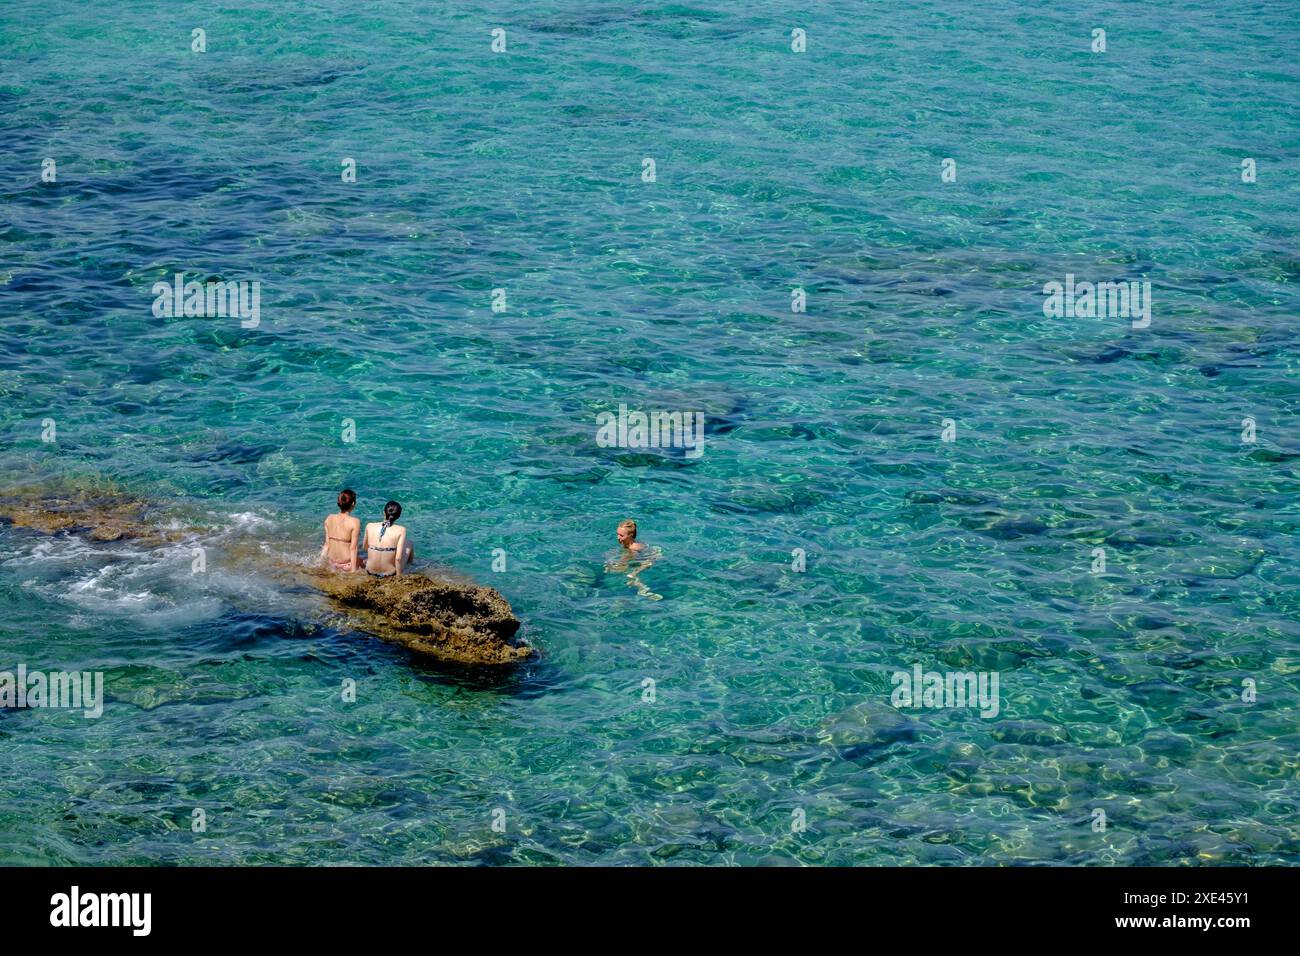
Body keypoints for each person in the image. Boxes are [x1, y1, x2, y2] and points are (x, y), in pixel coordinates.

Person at [361, 500, 415, 577]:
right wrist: (398, 575)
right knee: (409, 543)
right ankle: (412, 566)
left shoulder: (369, 526)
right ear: (398, 516)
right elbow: (398, 558)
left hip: (370, 571)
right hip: (389, 574)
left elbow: (365, 547)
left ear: (384, 512)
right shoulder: (401, 530)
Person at [321, 489, 361, 572]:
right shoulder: (355, 522)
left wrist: (321, 563)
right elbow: (353, 548)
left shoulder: (329, 518)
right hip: (346, 564)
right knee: (365, 561)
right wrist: (353, 571)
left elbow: (327, 544)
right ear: (353, 503)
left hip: (331, 563)